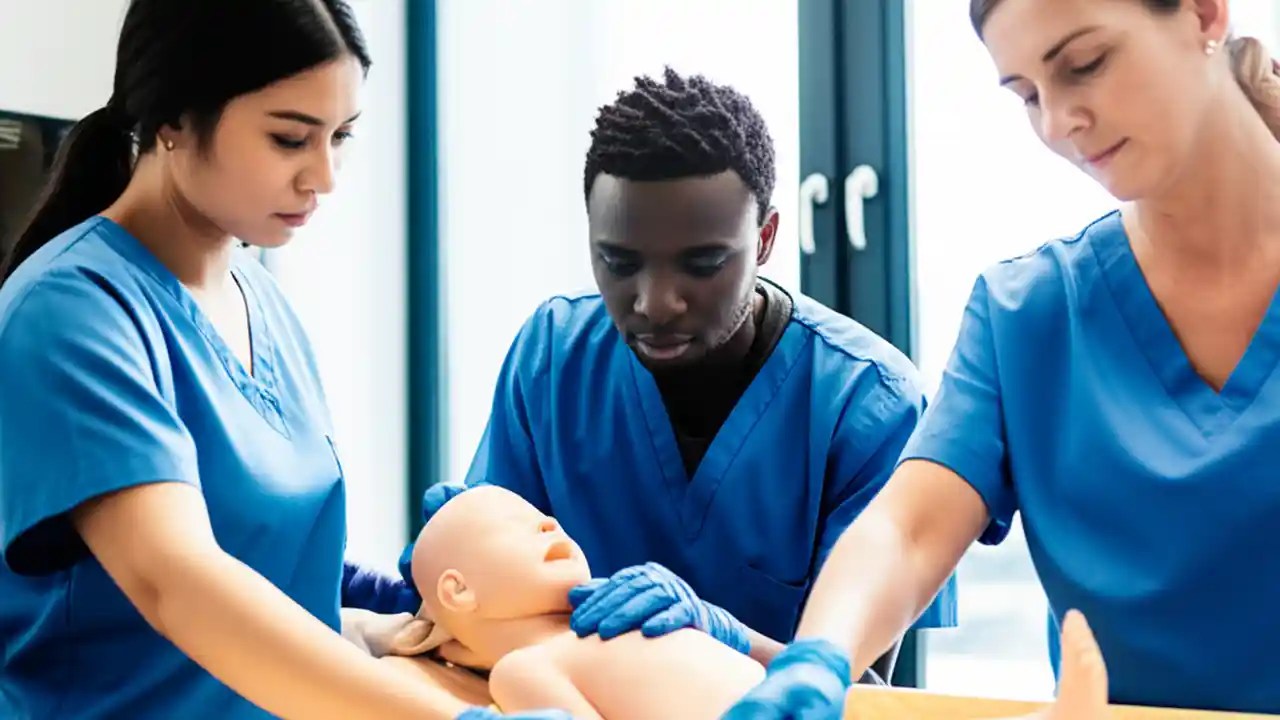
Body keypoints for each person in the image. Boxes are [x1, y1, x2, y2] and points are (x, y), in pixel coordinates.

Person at [0, 2, 567, 718]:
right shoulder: (72, 314)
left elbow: (274, 576)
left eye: (341, 136)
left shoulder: (262, 304)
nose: (324, 177)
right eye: (290, 138)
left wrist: (391, 629)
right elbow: (175, 584)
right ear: (173, 118)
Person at [721, 0, 1280, 716]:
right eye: (1027, 95)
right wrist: (821, 655)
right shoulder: (1030, 314)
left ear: (1203, 14)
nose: (1057, 122)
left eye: (1085, 65)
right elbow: (910, 529)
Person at [368, 67, 957, 677]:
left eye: (702, 264)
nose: (655, 302)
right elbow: (481, 624)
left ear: (767, 237)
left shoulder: (868, 404)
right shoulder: (551, 358)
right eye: (618, 262)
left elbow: (858, 690)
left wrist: (719, 635)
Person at [386, 485, 765, 719]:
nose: (550, 524)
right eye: (512, 523)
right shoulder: (521, 670)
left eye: (545, 517)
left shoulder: (641, 611)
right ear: (459, 591)